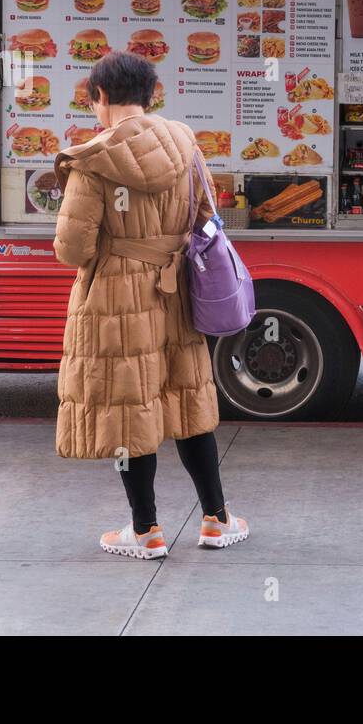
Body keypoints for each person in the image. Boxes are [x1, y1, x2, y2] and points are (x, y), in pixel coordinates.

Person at [53, 51, 248, 560]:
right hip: (177, 288)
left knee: (127, 407)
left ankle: (147, 531)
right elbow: (206, 215)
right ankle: (217, 519)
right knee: (188, 400)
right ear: (150, 94)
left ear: (100, 98)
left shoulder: (92, 160)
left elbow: (71, 249)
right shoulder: (185, 143)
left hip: (116, 297)